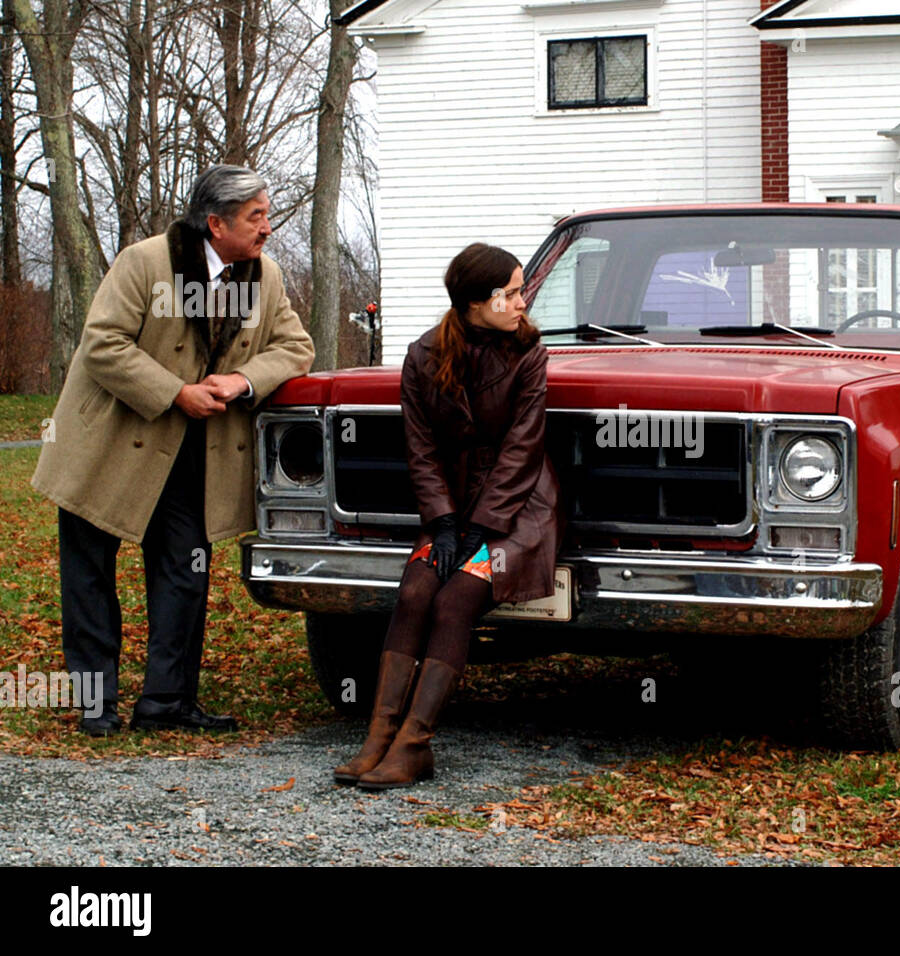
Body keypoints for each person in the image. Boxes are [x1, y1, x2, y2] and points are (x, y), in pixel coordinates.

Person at [32, 165, 315, 735]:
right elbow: (102, 345)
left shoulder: (267, 276)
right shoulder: (144, 262)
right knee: (89, 575)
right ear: (216, 223)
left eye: (266, 214)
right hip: (108, 444)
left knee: (185, 573)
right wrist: (175, 392)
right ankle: (96, 703)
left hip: (194, 454)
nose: (267, 228)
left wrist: (243, 381)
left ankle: (167, 702)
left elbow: (295, 346)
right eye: (255, 217)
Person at [333, 243, 561, 789]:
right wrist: (442, 523)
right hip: (449, 511)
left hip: (519, 508)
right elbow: (421, 450)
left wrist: (480, 527)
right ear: (475, 303)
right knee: (415, 592)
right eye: (509, 292)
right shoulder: (423, 354)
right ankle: (378, 738)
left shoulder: (529, 351)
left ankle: (414, 745)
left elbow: (522, 447)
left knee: (457, 597)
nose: (521, 301)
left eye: (520, 289)